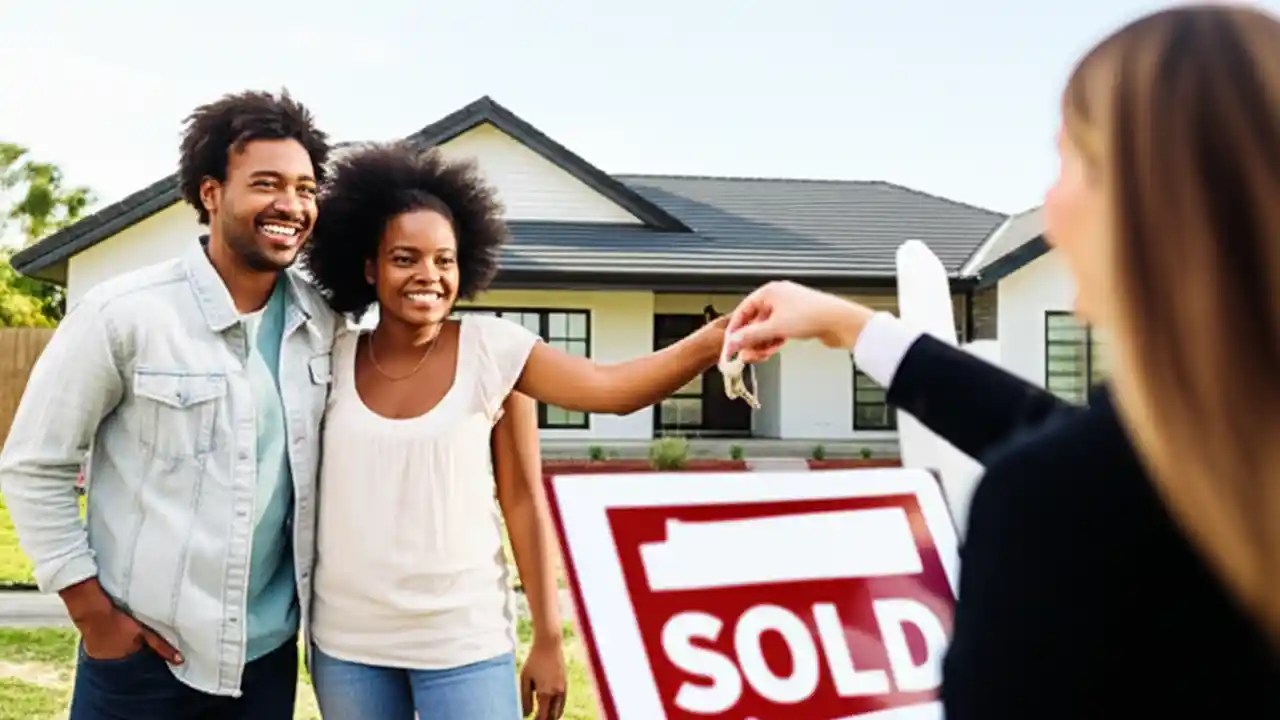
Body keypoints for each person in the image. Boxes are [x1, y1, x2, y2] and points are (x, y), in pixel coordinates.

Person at [722, 5, 1280, 718]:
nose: (1049, 208)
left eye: (1069, 160)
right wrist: (855, 327)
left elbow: (1084, 468)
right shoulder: (1210, 467)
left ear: (1143, 198)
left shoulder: (1057, 511)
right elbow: (1079, 439)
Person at [299, 140, 727, 720]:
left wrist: (716, 338)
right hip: (348, 646)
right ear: (371, 267)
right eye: (405, 258)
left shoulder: (494, 350)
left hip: (464, 642)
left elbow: (586, 421)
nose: (428, 275)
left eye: (444, 260)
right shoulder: (329, 355)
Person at [0, 89, 338, 718]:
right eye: (267, 184)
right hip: (140, 663)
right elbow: (32, 466)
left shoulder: (323, 325)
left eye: (305, 188)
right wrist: (93, 615)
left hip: (265, 665)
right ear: (211, 193)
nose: (290, 205)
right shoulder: (124, 314)